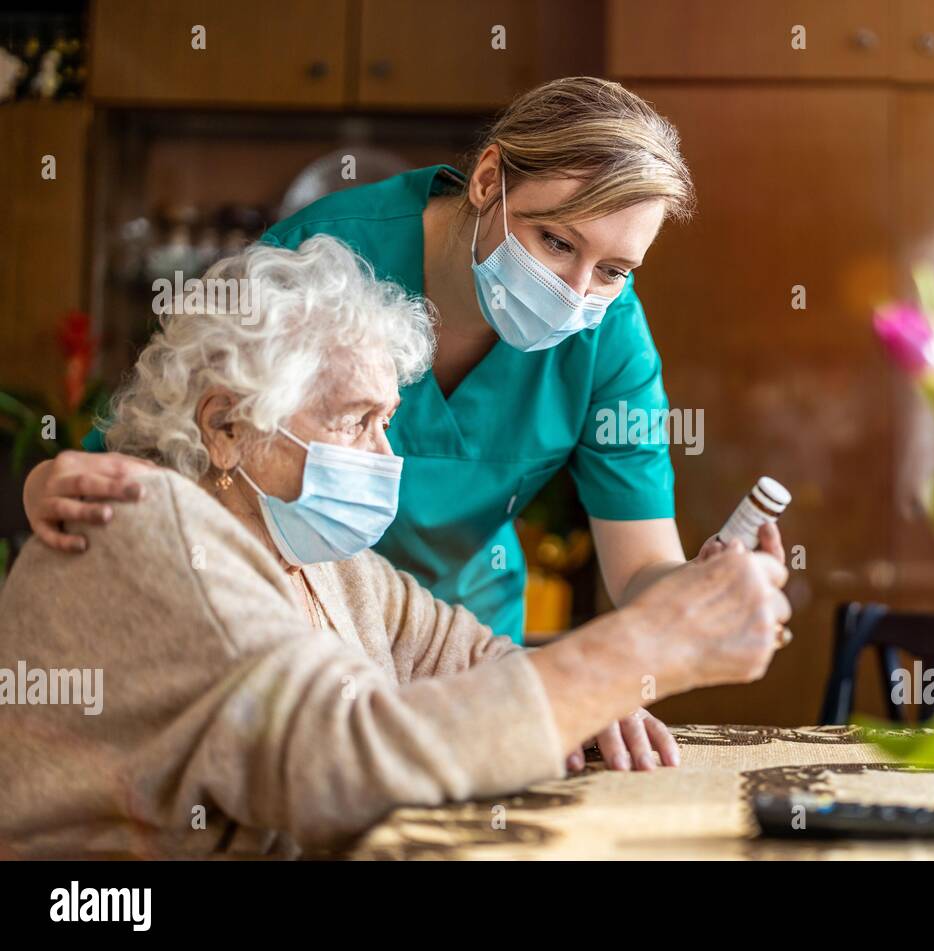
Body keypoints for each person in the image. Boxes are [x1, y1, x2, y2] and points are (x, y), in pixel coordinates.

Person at [20, 77, 785, 771]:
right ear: (489, 180)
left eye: (616, 271)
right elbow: (160, 450)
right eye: (555, 241)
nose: (576, 293)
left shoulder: (607, 332)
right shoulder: (326, 260)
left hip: (451, 640)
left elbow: (642, 563)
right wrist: (50, 481)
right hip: (286, 625)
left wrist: (691, 599)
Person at [0, 236, 790, 858]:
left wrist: (587, 708)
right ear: (226, 426)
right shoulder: (155, 534)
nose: (384, 459)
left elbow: (466, 656)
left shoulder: (321, 560)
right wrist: (640, 648)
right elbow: (343, 763)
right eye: (352, 420)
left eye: (386, 421)